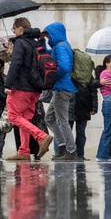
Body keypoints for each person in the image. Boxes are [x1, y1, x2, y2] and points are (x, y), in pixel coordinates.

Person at [4, 17, 50, 161]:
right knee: (25, 119)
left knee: (13, 116)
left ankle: (41, 136)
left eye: (14, 28)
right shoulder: (35, 42)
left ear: (20, 29)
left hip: (21, 87)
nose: (13, 31)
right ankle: (24, 150)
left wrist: (8, 84)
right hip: (35, 89)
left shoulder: (20, 42)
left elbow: (16, 64)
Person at [40, 23, 77, 160]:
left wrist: (52, 75)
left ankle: (71, 151)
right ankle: (62, 146)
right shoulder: (60, 46)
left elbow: (64, 67)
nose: (48, 37)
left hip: (62, 88)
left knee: (62, 121)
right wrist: (43, 47)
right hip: (61, 88)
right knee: (49, 118)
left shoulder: (61, 46)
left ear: (54, 33)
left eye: (48, 35)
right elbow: (51, 55)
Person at [70, 50, 98, 160]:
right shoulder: (87, 74)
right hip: (84, 104)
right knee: (81, 132)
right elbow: (93, 90)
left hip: (71, 105)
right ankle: (80, 155)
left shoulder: (70, 73)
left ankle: (68, 153)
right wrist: (94, 106)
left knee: (67, 130)